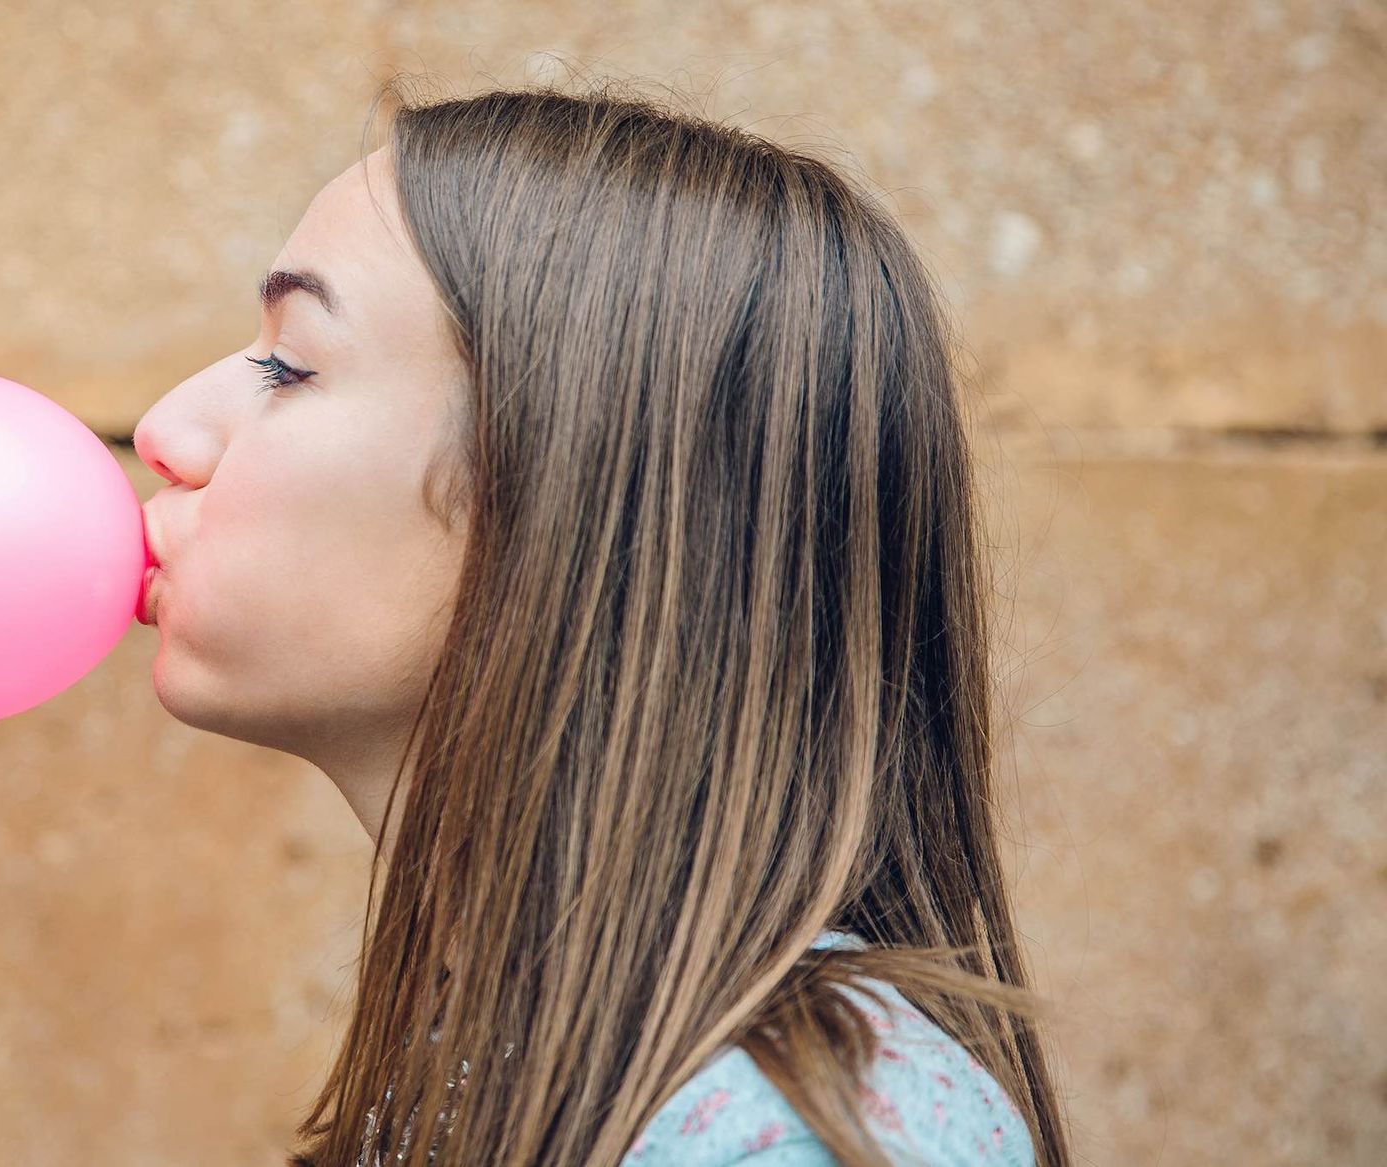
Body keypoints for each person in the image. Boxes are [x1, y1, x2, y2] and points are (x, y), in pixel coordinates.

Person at [130, 74, 1070, 1167]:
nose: (164, 428)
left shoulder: (800, 1134)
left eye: (289, 366)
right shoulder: (496, 1051)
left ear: (561, 492)